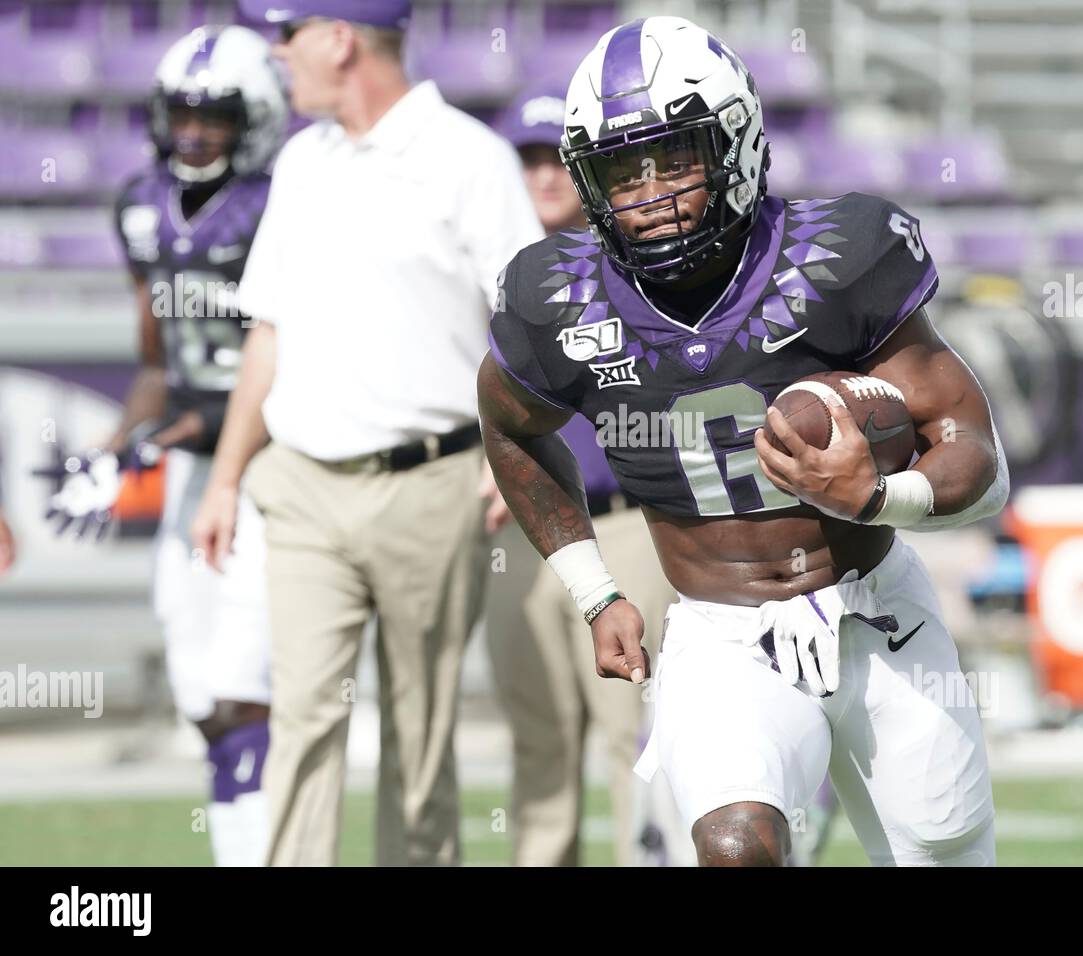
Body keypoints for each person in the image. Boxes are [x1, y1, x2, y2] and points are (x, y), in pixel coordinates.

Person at [479, 16, 1007, 867]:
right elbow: (507, 428)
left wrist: (878, 496)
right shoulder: (554, 297)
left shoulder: (841, 255)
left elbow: (976, 456)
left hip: (877, 611)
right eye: (621, 171)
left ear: (736, 144)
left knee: (945, 853)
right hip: (721, 635)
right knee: (734, 845)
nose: (649, 196)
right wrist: (593, 588)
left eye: (674, 160)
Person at [192, 0, 541, 866]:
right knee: (303, 717)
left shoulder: (470, 158)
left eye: (288, 34)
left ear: (340, 39)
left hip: (431, 482)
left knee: (420, 739)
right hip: (304, 484)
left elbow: (533, 325)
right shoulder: (302, 160)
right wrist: (227, 476)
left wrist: (519, 448)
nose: (275, 53)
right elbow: (266, 332)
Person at [41, 24, 288, 866]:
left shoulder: (282, 205)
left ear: (254, 119)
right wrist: (115, 448)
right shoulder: (141, 204)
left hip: (270, 466)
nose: (192, 132)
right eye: (180, 112)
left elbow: (286, 368)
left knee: (241, 686)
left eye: (213, 115)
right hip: (194, 468)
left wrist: (176, 432)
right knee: (200, 694)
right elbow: (158, 364)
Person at [484, 86, 678, 866]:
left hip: (626, 522)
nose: (542, 177)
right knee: (537, 735)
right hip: (519, 525)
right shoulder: (488, 268)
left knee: (635, 730)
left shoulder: (646, 265)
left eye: (554, 159)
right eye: (524, 162)